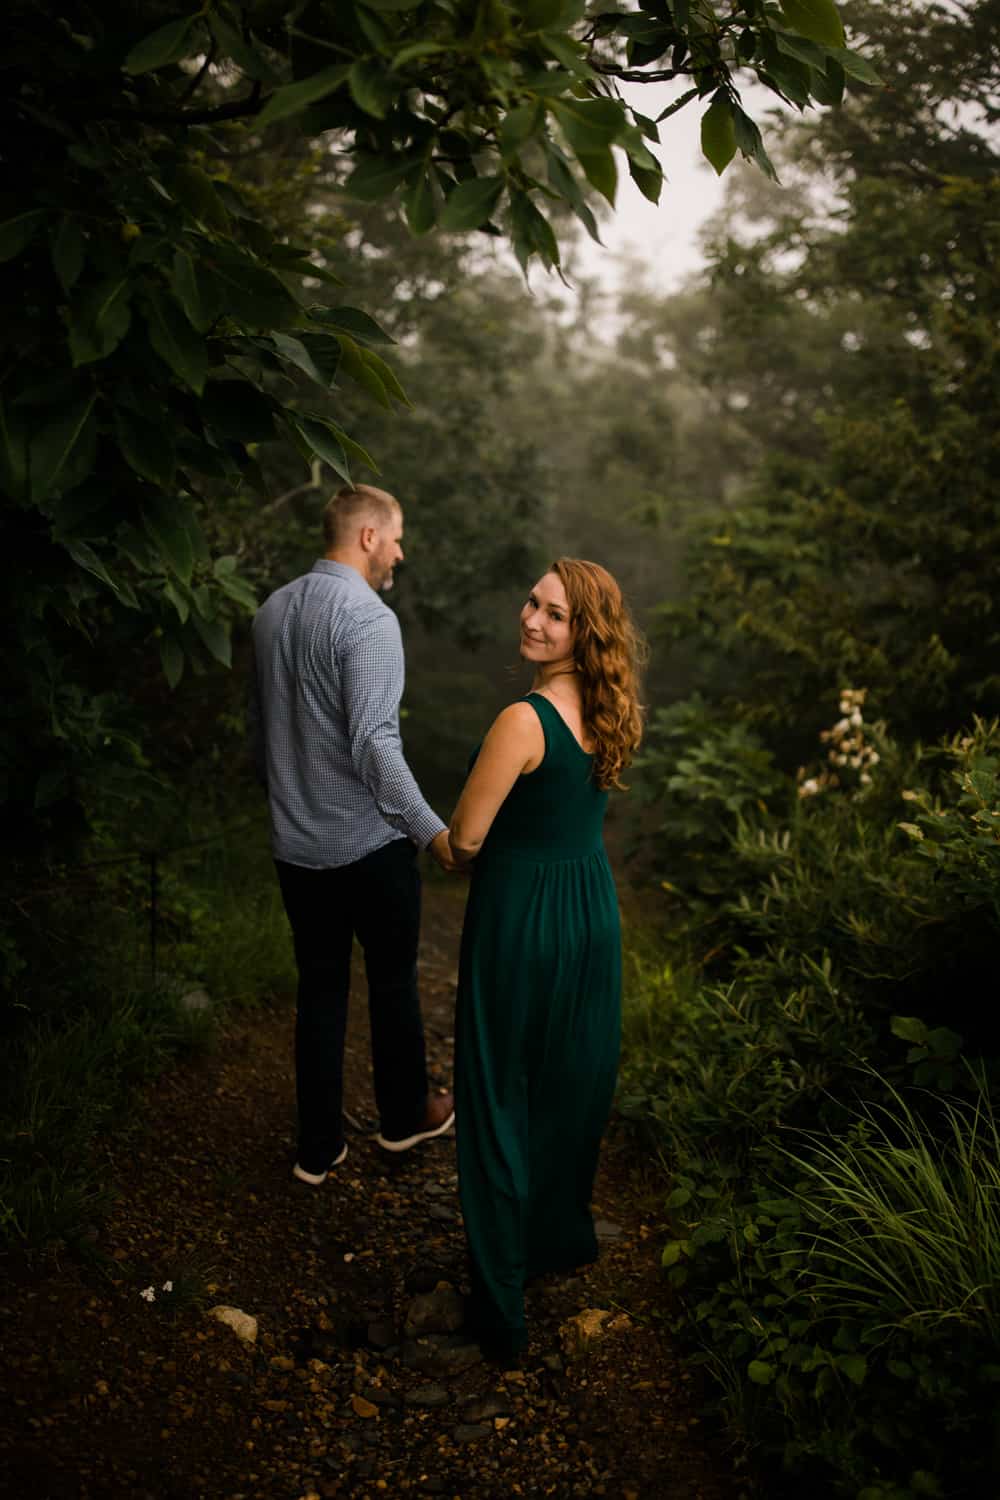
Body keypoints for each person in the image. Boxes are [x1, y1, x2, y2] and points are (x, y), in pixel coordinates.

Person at [448, 558, 646, 1362]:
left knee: (499, 1093)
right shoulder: (612, 707)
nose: (531, 619)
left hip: (522, 919)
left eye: (554, 614)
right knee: (571, 1085)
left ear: (582, 632)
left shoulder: (523, 720)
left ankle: (500, 1307)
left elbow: (465, 841)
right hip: (590, 914)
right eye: (532, 602)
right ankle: (554, 1242)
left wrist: (419, 828)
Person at [249, 483, 456, 1186]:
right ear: (368, 536)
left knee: (320, 988)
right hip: (369, 847)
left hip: (296, 850)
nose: (400, 551)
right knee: (393, 981)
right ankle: (402, 1120)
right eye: (396, 536)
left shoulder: (270, 611)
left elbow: (273, 731)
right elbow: (374, 744)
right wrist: (433, 833)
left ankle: (318, 1148)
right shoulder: (370, 620)